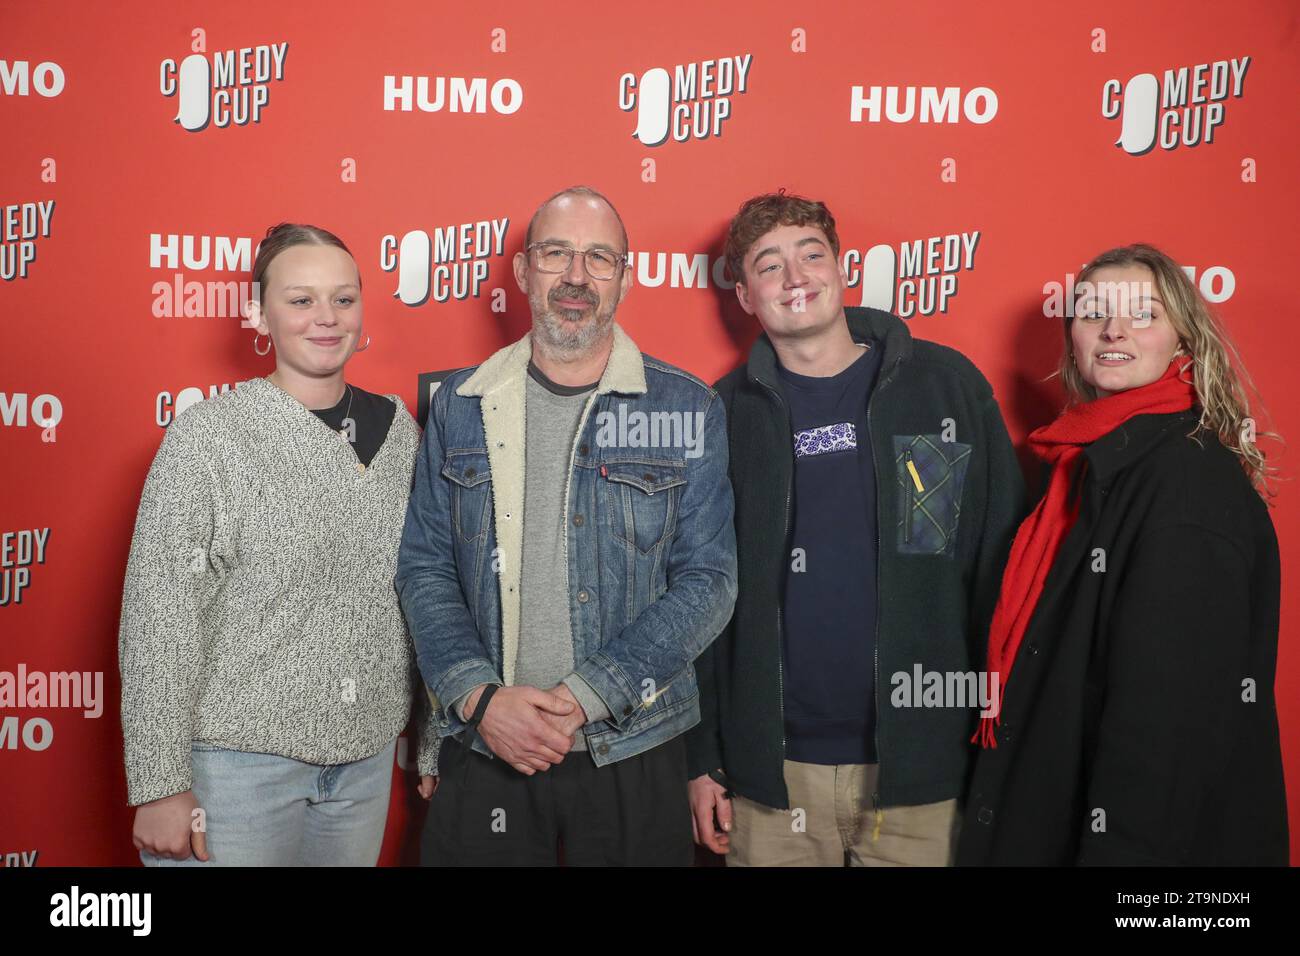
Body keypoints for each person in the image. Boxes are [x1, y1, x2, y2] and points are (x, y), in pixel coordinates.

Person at [397, 185, 737, 866]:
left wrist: (588, 696)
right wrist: (479, 698)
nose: (576, 277)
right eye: (556, 254)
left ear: (624, 278)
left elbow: (710, 581)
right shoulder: (461, 405)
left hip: (635, 748)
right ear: (524, 272)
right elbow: (425, 567)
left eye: (598, 258)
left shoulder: (686, 407)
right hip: (486, 745)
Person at [686, 191, 1026, 866]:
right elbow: (696, 598)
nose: (795, 276)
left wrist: (1003, 739)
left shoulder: (945, 387)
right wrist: (703, 759)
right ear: (746, 296)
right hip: (771, 778)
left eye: (811, 254)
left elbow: (1004, 571)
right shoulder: (721, 416)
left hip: (923, 769)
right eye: (768, 264)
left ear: (843, 269)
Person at [958, 243, 1288, 865]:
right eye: (1093, 311)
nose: (1113, 328)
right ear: (1074, 339)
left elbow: (1167, 729)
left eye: (1143, 313)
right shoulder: (1091, 464)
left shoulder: (1185, 480)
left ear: (1183, 342)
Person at [119, 223, 438, 866]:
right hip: (236, 769)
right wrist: (159, 785)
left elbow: (426, 588)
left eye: (343, 299)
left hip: (365, 761)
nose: (326, 318)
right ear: (258, 314)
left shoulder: (401, 431)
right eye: (301, 300)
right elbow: (159, 614)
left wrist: (431, 736)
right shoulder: (207, 438)